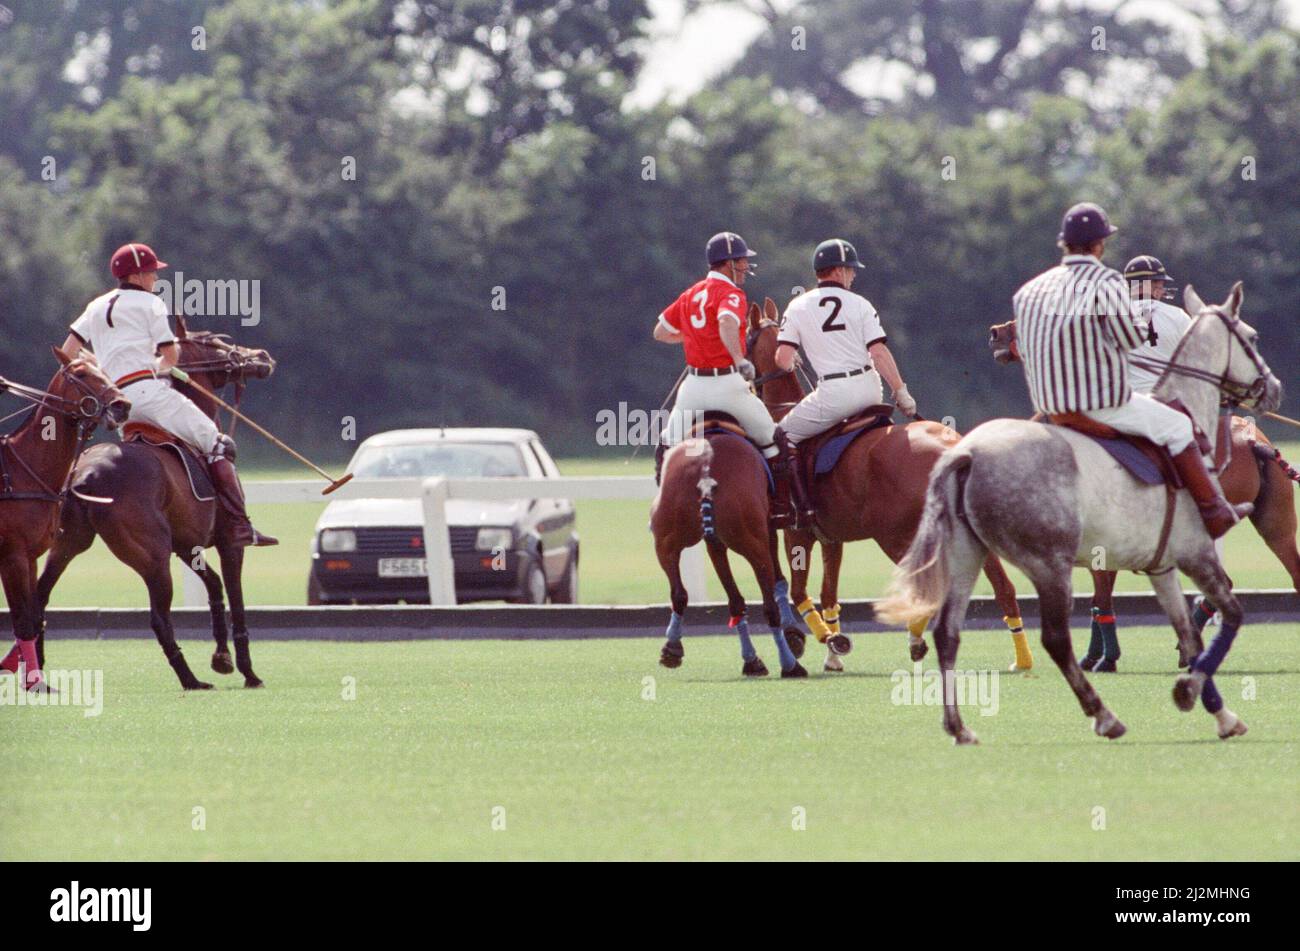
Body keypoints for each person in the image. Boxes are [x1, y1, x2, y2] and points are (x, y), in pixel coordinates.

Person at [1011, 203, 1249, 538]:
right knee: (1180, 425)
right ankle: (1213, 512)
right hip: (1101, 405)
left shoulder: (1028, 291)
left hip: (1050, 407)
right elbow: (1130, 337)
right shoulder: (1106, 282)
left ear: (1063, 243)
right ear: (1099, 245)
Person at [60, 242, 277, 547]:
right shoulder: (152, 304)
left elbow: (68, 353)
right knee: (219, 443)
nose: (156, 279)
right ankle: (240, 526)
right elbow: (171, 356)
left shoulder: (96, 306)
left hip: (118, 405)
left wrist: (101, 368)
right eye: (151, 272)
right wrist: (158, 366)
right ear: (136, 275)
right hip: (150, 394)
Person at [772, 238, 916, 528]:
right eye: (850, 270)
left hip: (834, 394)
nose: (853, 275)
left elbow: (782, 360)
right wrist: (900, 391)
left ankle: (801, 510)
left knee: (779, 437)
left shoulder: (797, 306)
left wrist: (793, 358)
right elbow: (878, 352)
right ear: (837, 271)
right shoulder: (861, 304)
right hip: (870, 389)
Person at [653, 231, 795, 524]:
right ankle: (782, 505)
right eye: (742, 261)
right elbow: (727, 322)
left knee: (667, 444)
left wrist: (693, 336)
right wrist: (739, 358)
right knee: (774, 439)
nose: (745, 266)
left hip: (692, 387)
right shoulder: (731, 293)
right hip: (727, 385)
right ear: (728, 263)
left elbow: (660, 332)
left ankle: (662, 510)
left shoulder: (690, 294)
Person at [1122, 254, 1192, 394]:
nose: (1162, 290)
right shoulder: (1178, 315)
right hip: (1168, 399)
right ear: (1152, 285)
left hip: (1128, 400)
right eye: (1160, 284)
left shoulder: (1112, 317)